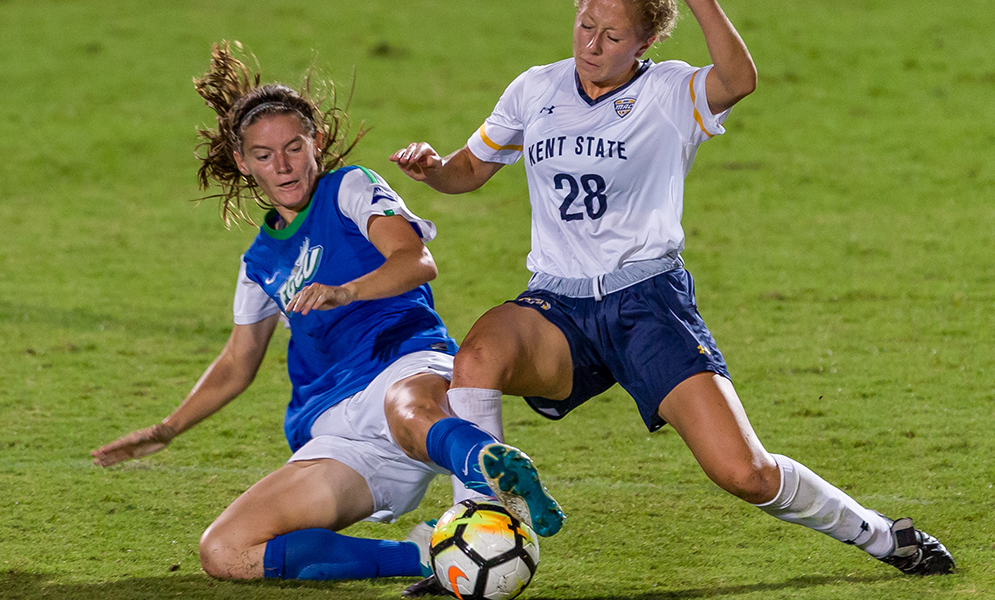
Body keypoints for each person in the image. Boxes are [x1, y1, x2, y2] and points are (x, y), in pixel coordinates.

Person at [392, 0, 955, 582]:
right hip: (557, 304)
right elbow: (471, 168)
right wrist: (434, 169)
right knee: (477, 358)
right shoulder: (536, 89)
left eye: (612, 36)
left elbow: (740, 79)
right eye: (586, 25)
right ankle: (474, 539)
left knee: (745, 473)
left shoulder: (668, 93)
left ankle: (885, 536)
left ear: (646, 42)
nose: (592, 44)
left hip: (646, 303)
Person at [91, 41, 562, 584]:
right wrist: (167, 428)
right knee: (225, 551)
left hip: (401, 366)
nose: (284, 166)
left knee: (410, 410)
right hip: (335, 429)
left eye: (294, 147)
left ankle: (493, 463)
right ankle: (425, 554)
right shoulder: (259, 263)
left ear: (315, 143)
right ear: (244, 163)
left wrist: (345, 291)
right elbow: (237, 362)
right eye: (265, 156)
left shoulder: (350, 189)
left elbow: (416, 262)